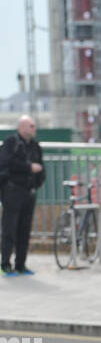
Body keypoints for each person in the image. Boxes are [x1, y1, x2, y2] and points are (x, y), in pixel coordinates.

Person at [0, 116, 45, 277]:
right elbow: (6, 163)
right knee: (9, 228)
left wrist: (37, 181)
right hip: (13, 191)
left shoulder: (35, 146)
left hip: (29, 192)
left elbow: (41, 166)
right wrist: (28, 167)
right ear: (22, 127)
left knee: (24, 230)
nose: (34, 129)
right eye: (31, 126)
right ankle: (5, 264)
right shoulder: (11, 143)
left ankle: (21, 264)